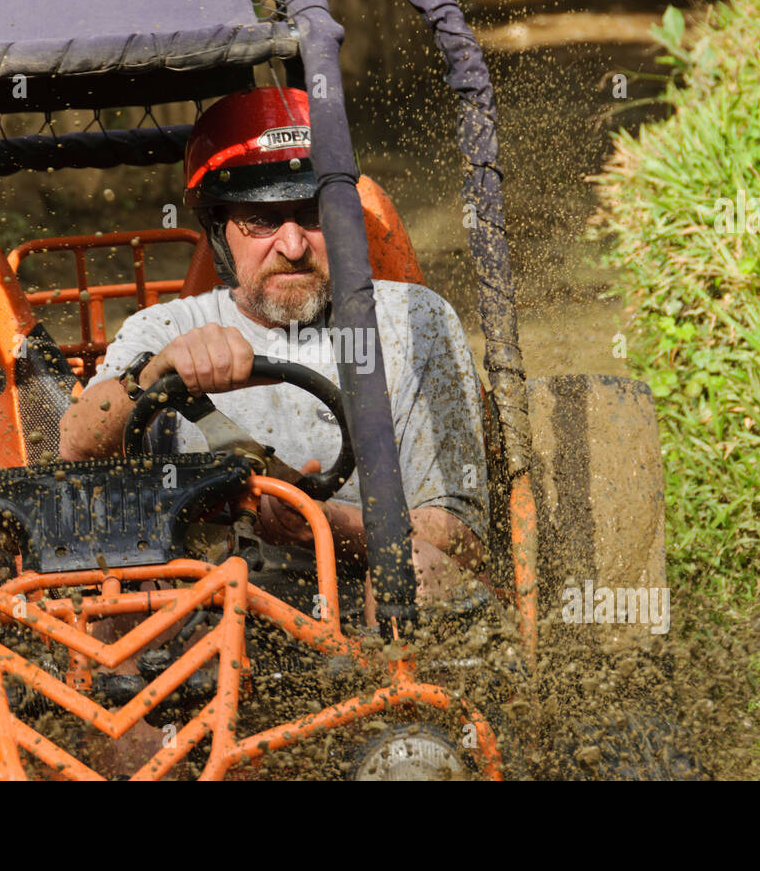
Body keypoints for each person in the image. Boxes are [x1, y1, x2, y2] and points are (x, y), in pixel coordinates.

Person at [59, 86, 488, 620]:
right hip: (196, 607)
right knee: (107, 600)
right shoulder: (165, 328)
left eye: (311, 214)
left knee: (417, 570)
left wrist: (322, 523)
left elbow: (463, 539)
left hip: (362, 606)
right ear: (218, 231)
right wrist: (156, 374)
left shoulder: (411, 322)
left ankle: (399, 698)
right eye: (261, 219)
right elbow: (76, 446)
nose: (292, 245)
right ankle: (105, 703)